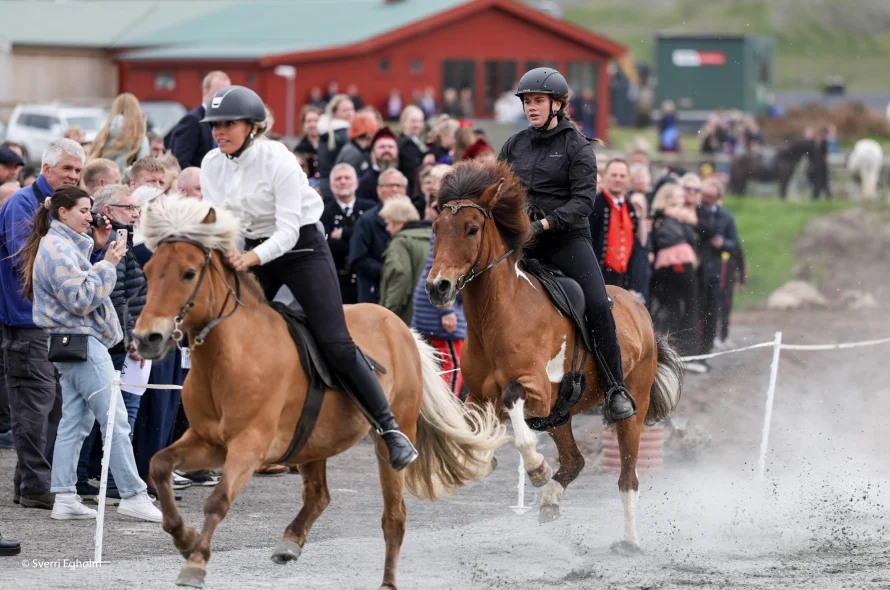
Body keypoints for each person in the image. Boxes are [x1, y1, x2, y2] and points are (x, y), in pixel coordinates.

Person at [199, 85, 418, 470]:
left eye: (228, 124)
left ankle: (389, 428)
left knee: (335, 341)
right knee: (224, 327)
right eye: (215, 125)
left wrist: (248, 258)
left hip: (301, 248)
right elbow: (222, 221)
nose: (219, 132)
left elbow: (286, 231)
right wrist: (230, 254)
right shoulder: (211, 164)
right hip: (252, 249)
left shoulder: (279, 159)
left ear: (253, 127)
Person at [498, 67, 635, 423]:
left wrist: (543, 223)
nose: (531, 107)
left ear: (557, 105)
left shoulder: (578, 147)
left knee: (598, 303)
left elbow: (582, 203)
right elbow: (500, 190)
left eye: (538, 101)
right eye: (527, 102)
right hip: (523, 241)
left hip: (565, 240)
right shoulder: (514, 145)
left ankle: (615, 387)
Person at [18, 185, 161, 522]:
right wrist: (108, 263)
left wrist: (97, 249)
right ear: (63, 212)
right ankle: (133, 494)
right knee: (115, 418)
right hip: (81, 341)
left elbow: (78, 286)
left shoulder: (60, 244)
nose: (90, 217)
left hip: (73, 342)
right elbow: (80, 299)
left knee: (76, 420)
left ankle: (65, 496)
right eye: (83, 211)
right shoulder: (56, 248)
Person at [0, 139, 84, 510]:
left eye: (78, 170)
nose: (73, 175)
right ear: (46, 168)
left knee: (54, 405)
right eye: (67, 168)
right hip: (27, 321)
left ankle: (31, 483)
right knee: (34, 405)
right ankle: (35, 484)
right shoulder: (22, 203)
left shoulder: (64, 207)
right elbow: (27, 261)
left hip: (56, 320)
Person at [411, 164, 466, 396]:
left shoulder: (447, 216)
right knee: (451, 366)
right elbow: (437, 270)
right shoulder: (449, 220)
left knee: (430, 367)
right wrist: (447, 310)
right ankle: (446, 412)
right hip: (438, 307)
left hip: (431, 303)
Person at [349, 168, 408, 304]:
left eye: (398, 186)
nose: (394, 190)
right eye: (389, 185)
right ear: (379, 190)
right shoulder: (366, 221)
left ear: (405, 190)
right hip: (375, 295)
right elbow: (358, 258)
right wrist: (390, 271)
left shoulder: (414, 219)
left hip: (405, 295)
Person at [320, 163, 376, 304]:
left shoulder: (371, 208)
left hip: (367, 281)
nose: (343, 182)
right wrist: (361, 241)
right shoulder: (322, 212)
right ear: (331, 185)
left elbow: (374, 242)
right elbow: (326, 245)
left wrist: (344, 233)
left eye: (347, 178)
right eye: (338, 179)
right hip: (336, 282)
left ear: (356, 183)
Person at [378, 196, 432, 324]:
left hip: (409, 320)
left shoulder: (400, 242)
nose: (387, 229)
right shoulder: (434, 238)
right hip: (436, 318)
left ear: (399, 222)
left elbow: (400, 278)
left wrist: (386, 315)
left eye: (388, 223)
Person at [169, 70, 231, 169]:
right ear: (205, 92)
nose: (222, 99)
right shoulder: (192, 121)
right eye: (218, 93)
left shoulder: (226, 122)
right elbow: (180, 161)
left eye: (226, 95)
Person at [89, 93, 150, 174]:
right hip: (125, 179)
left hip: (101, 178)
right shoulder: (140, 138)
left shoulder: (103, 134)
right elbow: (143, 170)